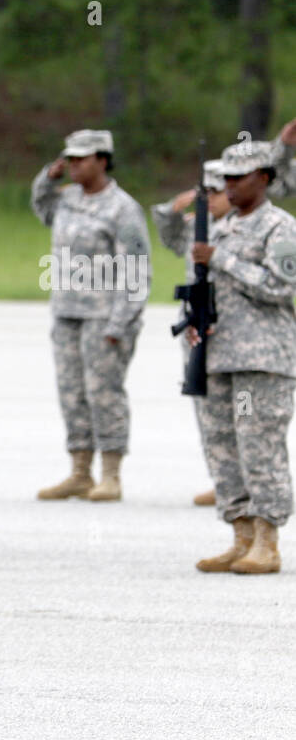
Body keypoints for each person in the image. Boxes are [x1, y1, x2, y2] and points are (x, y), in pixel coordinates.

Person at [188, 140, 296, 574]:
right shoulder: (221, 227)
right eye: (226, 178)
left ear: (265, 178)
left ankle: (267, 541)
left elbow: (282, 287)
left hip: (261, 362)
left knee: (258, 446)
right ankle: (241, 535)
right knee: (223, 447)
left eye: (239, 177)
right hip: (219, 357)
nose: (229, 185)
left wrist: (223, 261)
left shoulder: (280, 228)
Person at [31, 129, 150, 502]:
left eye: (82, 158)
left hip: (104, 315)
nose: (73, 165)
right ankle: (80, 471)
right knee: (72, 392)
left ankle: (111, 474)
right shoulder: (67, 199)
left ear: (102, 159)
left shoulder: (122, 208)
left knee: (104, 394)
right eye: (70, 158)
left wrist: (121, 322)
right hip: (67, 311)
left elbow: (135, 270)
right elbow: (41, 207)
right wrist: (47, 179)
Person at [151, 159, 231, 508]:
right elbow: (168, 237)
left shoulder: (240, 228)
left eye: (217, 191)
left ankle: (237, 480)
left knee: (237, 410)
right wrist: (174, 207)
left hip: (232, 330)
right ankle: (220, 477)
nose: (210, 199)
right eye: (205, 192)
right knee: (204, 405)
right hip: (197, 328)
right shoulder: (194, 226)